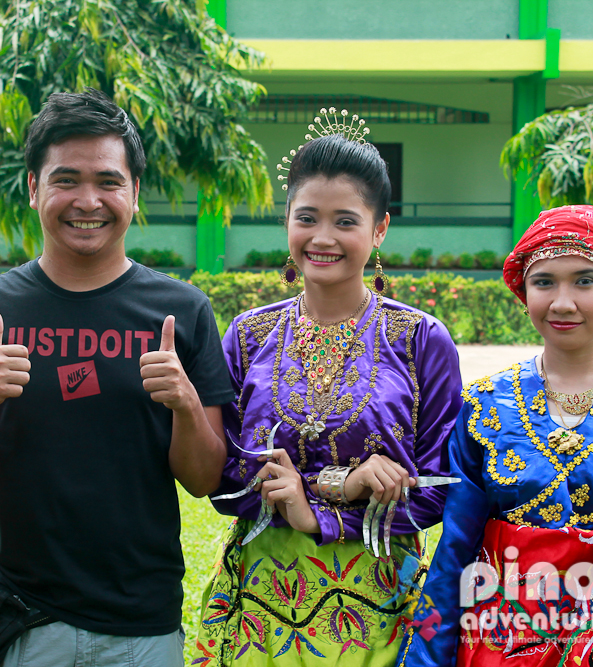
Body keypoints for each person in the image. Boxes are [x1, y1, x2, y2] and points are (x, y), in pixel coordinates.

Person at [0, 88, 236, 665]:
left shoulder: (183, 311)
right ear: (33, 188)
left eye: (109, 182)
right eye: (66, 179)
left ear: (135, 194)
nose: (87, 200)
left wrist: (187, 405)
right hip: (20, 617)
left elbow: (204, 479)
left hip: (142, 622)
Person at [191, 112, 463, 666]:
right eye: (307, 218)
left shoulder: (420, 340)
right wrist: (310, 491)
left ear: (379, 228)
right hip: (263, 601)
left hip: (380, 601)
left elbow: (440, 485)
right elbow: (220, 478)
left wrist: (325, 501)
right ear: (285, 221)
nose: (322, 238)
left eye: (345, 221)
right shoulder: (247, 336)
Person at [403, 204, 593, 666]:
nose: (562, 302)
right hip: (498, 643)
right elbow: (455, 548)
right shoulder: (483, 404)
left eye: (585, 280)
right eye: (544, 281)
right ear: (524, 292)